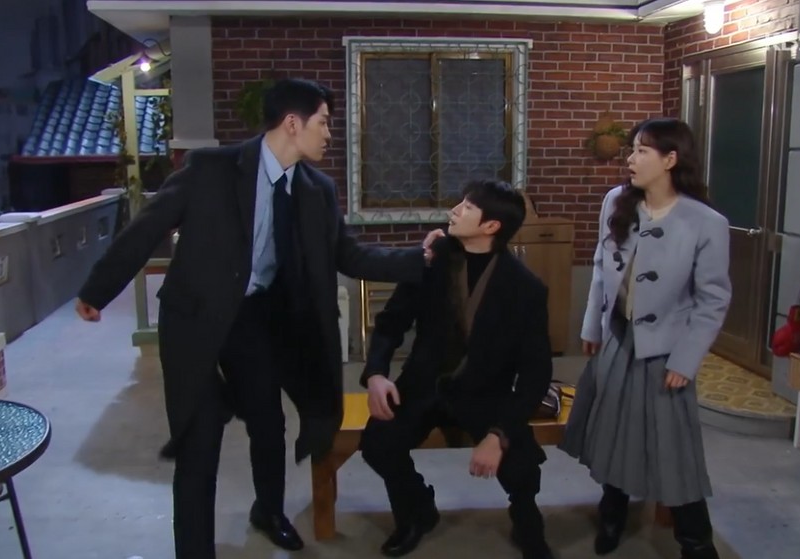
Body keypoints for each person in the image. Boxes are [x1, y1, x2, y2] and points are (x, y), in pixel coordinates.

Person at [75, 78, 443, 558]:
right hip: (195, 318)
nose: (329, 134)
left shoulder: (316, 190)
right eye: (323, 122)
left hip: (255, 317)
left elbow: (349, 255)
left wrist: (418, 259)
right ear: (292, 123)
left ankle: (268, 510)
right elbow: (148, 226)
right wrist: (98, 290)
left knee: (268, 421)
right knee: (199, 439)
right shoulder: (211, 169)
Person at [560, 117, 731, 559]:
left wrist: (685, 360)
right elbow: (601, 268)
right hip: (618, 337)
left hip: (667, 351)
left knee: (675, 451)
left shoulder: (705, 222)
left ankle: (695, 542)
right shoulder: (616, 201)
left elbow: (712, 301)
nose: (630, 159)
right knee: (613, 431)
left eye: (642, 151)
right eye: (631, 149)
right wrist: (592, 326)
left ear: (670, 160)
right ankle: (612, 515)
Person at [357, 179, 555, 559]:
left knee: (522, 465)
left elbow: (536, 372)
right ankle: (417, 511)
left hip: (485, 392)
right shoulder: (430, 261)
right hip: (423, 384)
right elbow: (390, 324)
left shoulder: (525, 287)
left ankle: (526, 522)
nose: (454, 210)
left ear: (491, 226)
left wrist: (498, 434)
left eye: (466, 207)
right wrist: (377, 374)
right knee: (378, 444)